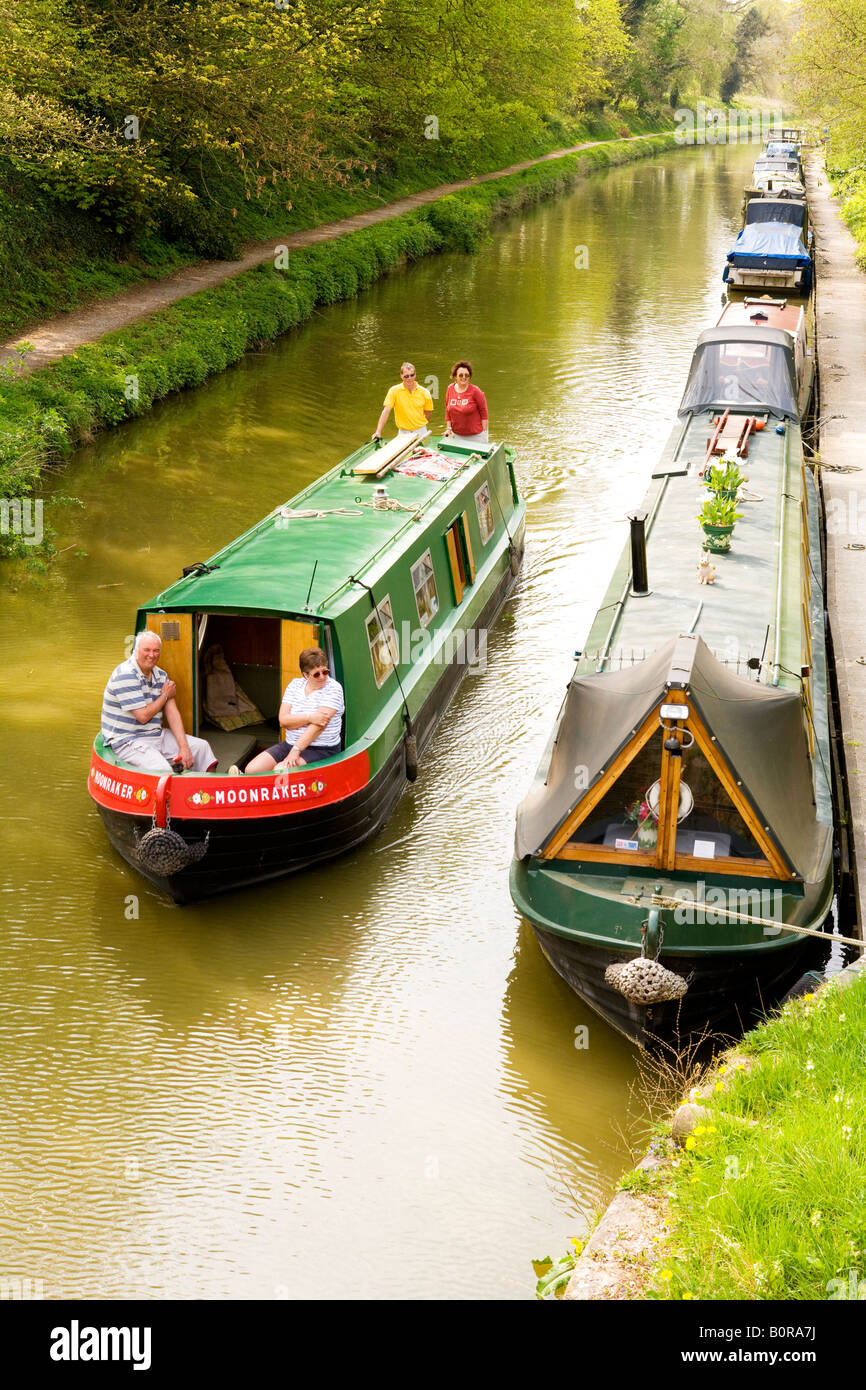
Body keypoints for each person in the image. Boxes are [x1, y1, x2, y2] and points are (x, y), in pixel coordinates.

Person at [101, 631, 217, 773]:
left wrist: (183, 747)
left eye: (156, 651)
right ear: (136, 650)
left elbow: (172, 713)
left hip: (155, 735)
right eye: (147, 650)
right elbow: (143, 716)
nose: (152, 655)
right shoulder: (125, 675)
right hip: (127, 741)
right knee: (161, 769)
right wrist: (165, 696)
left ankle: (206, 793)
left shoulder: (161, 675)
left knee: (202, 747)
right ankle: (178, 793)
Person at [242, 648, 344, 773]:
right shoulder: (295, 685)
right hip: (290, 743)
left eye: (325, 671)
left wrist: (296, 750)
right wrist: (310, 717)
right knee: (252, 770)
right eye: (317, 674)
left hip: (321, 749)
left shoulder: (334, 688)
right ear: (305, 675)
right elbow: (283, 721)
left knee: (280, 771)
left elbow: (318, 726)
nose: (323, 677)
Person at [372, 362, 433, 442]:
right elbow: (386, 411)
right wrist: (378, 432)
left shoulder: (424, 392)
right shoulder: (394, 391)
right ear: (401, 376)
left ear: (415, 374)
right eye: (406, 376)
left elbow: (428, 413)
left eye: (412, 375)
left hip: (421, 431)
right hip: (403, 433)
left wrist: (419, 425)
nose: (409, 378)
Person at [443, 361, 488, 445]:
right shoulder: (450, 389)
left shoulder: (475, 391)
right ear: (455, 376)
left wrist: (484, 434)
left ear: (469, 376)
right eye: (460, 375)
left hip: (476, 436)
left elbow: (484, 412)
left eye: (466, 375)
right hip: (456, 435)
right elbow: (447, 410)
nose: (464, 377)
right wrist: (448, 428)